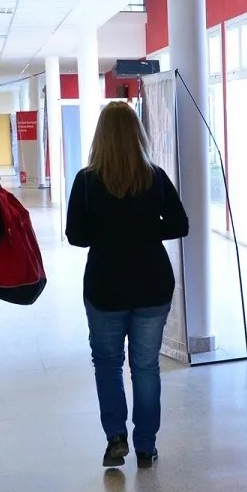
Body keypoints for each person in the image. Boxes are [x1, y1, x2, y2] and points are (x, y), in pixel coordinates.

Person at [65, 101, 189, 469]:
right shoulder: (155, 177)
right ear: (138, 134)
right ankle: (146, 446)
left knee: (107, 364)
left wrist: (108, 232)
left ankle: (116, 438)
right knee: (146, 366)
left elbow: (76, 236)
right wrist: (145, 230)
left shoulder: (86, 181)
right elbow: (180, 225)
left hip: (105, 286)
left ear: (100, 137)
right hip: (152, 284)